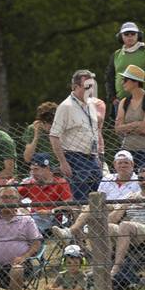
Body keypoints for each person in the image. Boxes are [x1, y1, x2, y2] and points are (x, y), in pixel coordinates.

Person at [49, 69, 104, 203]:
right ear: (75, 87)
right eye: (87, 87)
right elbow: (54, 136)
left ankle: (94, 223)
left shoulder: (90, 104)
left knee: (97, 197)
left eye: (92, 87)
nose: (90, 90)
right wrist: (63, 162)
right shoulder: (66, 106)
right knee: (80, 199)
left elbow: (96, 129)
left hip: (92, 157)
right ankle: (80, 223)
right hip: (75, 157)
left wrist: (98, 155)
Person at [105, 21, 145, 114]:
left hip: (144, 103)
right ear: (120, 36)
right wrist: (112, 98)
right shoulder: (116, 55)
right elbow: (109, 78)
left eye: (133, 33)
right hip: (119, 103)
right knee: (121, 128)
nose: (130, 36)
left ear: (138, 35)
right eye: (126, 34)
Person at [114, 64, 145, 171]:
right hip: (127, 152)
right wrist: (136, 124)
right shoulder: (124, 102)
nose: (122, 83)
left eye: (125, 80)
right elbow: (117, 129)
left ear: (135, 81)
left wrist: (127, 127)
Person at [17, 155, 72, 235]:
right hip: (32, 217)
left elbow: (69, 205)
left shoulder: (60, 182)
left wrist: (51, 211)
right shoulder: (30, 183)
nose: (33, 173)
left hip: (51, 219)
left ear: (47, 168)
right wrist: (23, 209)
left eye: (36, 169)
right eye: (31, 170)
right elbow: (15, 197)